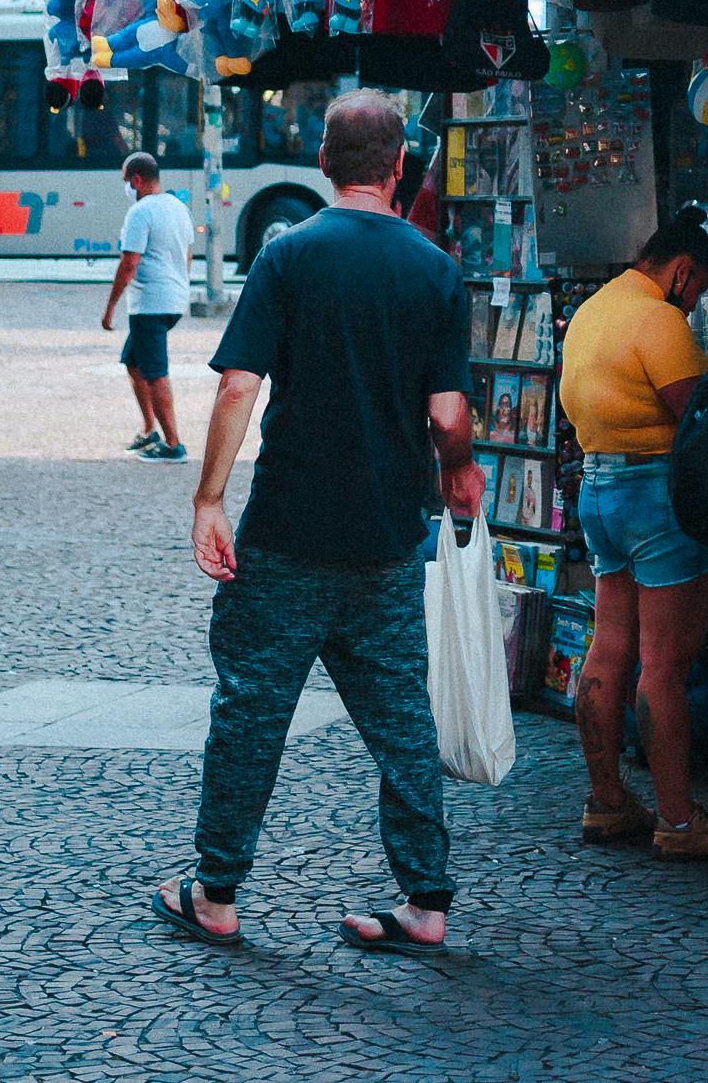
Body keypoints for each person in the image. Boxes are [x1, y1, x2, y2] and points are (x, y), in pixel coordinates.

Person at [154, 89, 479, 957]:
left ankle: (216, 893)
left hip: (289, 531)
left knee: (252, 709)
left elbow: (236, 385)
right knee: (400, 716)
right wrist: (455, 470)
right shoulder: (437, 270)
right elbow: (448, 415)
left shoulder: (288, 255)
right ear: (400, 166)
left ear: (324, 163)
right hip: (386, 535)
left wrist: (208, 498)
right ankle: (426, 901)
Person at [559, 205, 708, 861]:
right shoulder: (658, 318)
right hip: (657, 496)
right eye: (698, 284)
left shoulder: (594, 309)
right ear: (681, 269)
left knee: (609, 647)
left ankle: (606, 800)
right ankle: (678, 820)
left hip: (599, 487)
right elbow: (700, 416)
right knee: (665, 666)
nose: (696, 299)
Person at [103, 150, 195, 462]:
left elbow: (129, 264)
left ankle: (173, 444)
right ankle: (148, 429)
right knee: (133, 361)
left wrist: (110, 307)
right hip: (172, 301)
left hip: (149, 304)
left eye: (126, 181)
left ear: (138, 180)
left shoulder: (140, 213)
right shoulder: (177, 207)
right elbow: (188, 254)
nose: (126, 187)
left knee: (155, 373)